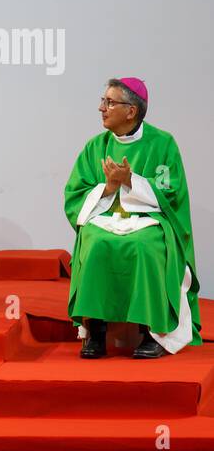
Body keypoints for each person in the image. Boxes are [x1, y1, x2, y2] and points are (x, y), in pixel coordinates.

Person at [64, 78, 200, 358]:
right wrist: (109, 188)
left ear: (131, 111)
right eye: (103, 101)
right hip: (105, 218)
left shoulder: (162, 143)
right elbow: (75, 194)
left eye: (109, 102)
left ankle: (152, 332)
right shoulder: (95, 146)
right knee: (96, 242)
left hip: (149, 220)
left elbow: (171, 192)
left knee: (145, 245)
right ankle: (95, 331)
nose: (101, 108)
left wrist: (131, 181)